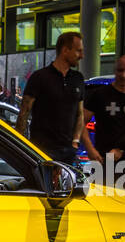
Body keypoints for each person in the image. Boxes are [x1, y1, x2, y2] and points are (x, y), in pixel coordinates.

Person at [16, 30, 87, 163]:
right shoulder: (39, 77)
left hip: (68, 151)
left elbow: (80, 113)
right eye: (78, 51)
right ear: (65, 50)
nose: (82, 56)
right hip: (42, 150)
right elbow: (24, 112)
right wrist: (20, 145)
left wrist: (75, 142)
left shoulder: (78, 78)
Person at [83, 54, 125, 190]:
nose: (123, 75)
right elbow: (80, 122)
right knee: (100, 202)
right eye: (120, 70)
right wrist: (90, 149)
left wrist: (121, 150)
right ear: (114, 70)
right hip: (102, 159)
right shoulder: (99, 95)